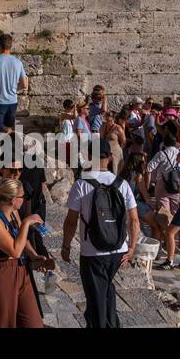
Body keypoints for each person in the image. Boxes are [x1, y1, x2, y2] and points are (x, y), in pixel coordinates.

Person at [62, 138, 139, 328]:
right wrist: (132, 248)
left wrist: (66, 246)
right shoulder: (122, 184)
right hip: (118, 250)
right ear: (111, 157)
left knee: (95, 300)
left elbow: (71, 221)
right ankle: (112, 323)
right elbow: (134, 220)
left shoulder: (82, 184)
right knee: (106, 289)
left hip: (92, 252)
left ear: (89, 157)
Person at [0, 177, 51, 328]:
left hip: (20, 271)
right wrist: (26, 223)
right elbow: (15, 250)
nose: (24, 199)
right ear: (12, 199)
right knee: (3, 323)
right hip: (0, 274)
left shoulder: (13, 213)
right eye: (22, 196)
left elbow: (21, 240)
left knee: (34, 323)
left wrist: (34, 255)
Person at [0, 32, 27, 134]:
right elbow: (24, 84)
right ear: (10, 46)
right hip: (12, 102)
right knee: (8, 131)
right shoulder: (18, 62)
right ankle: (8, 149)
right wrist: (13, 89)